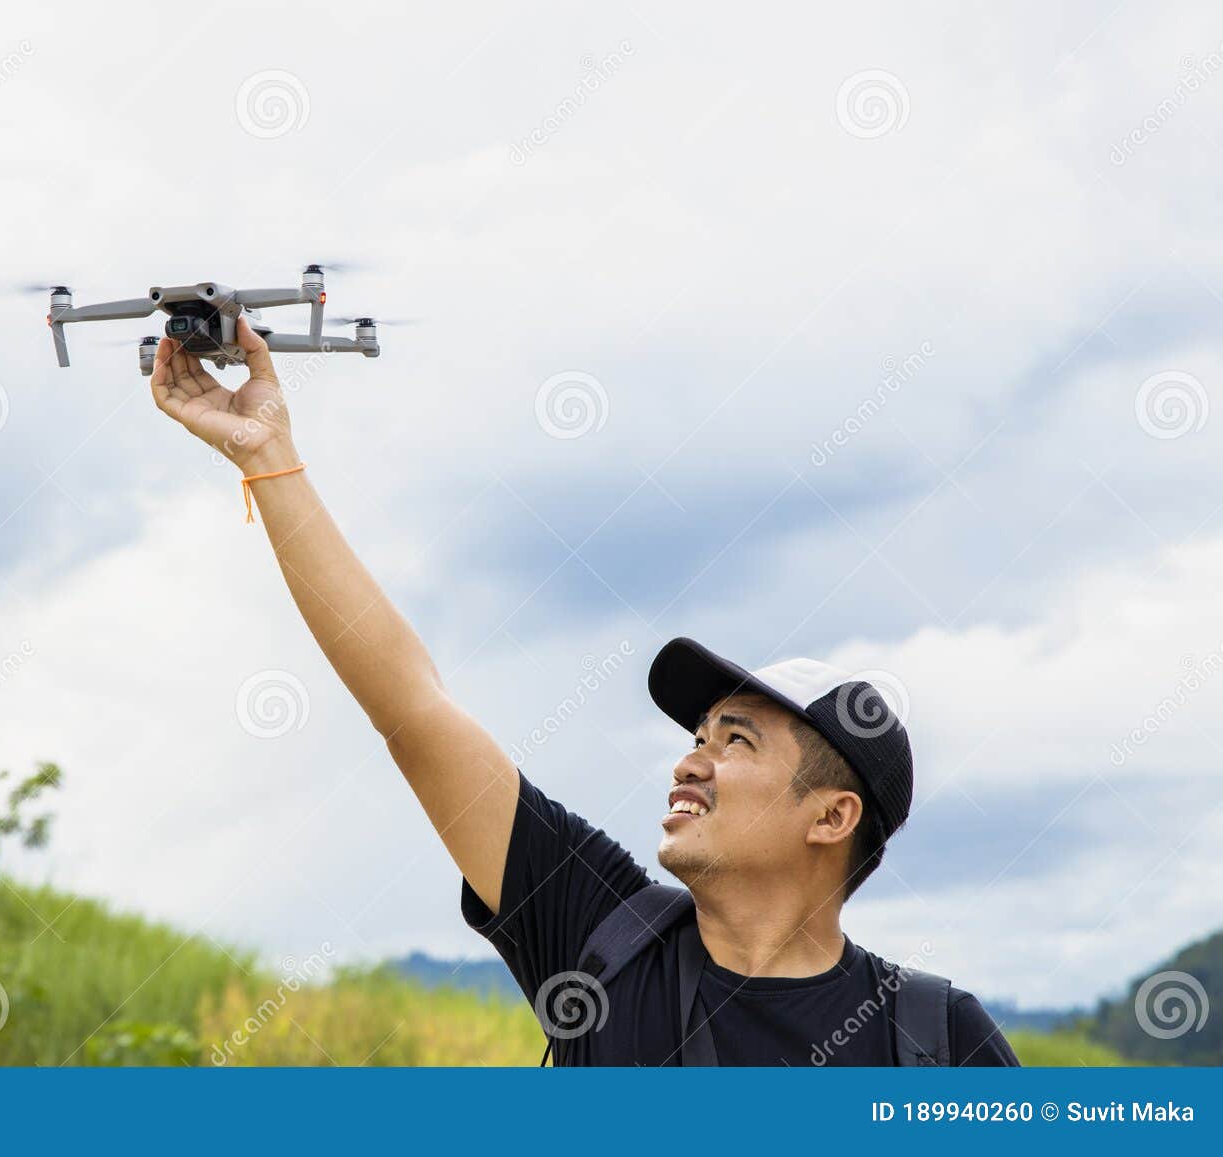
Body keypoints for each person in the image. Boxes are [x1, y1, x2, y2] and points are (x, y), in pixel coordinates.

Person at [147, 322, 1018, 1066]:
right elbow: (412, 708)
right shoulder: (602, 937)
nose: (690, 762)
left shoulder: (936, 1041)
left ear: (830, 816)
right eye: (700, 737)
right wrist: (270, 457)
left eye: (736, 741)